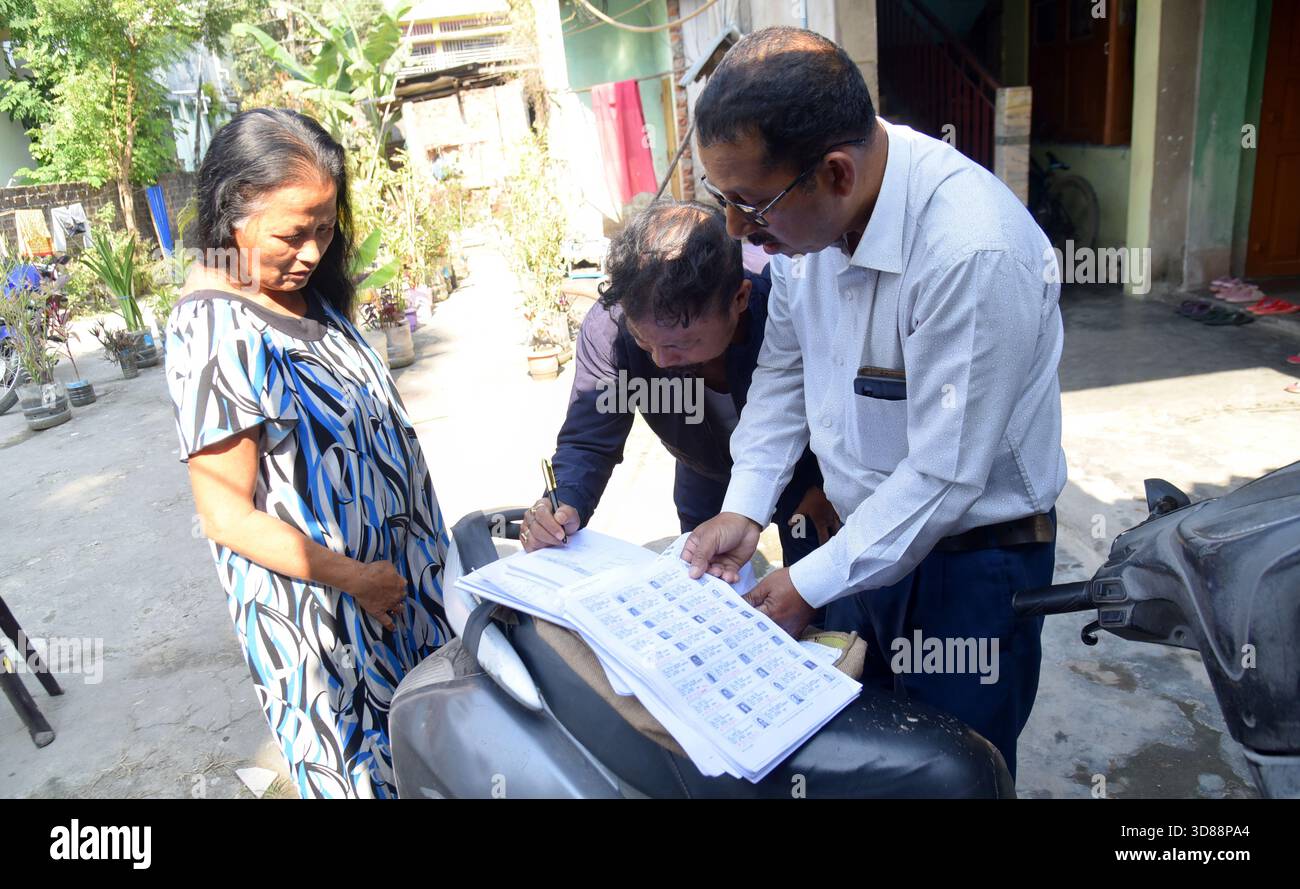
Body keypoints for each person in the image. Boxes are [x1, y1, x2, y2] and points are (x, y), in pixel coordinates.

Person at [682, 27, 1067, 776]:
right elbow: (784, 376)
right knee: (861, 759)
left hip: (972, 566)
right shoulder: (808, 231)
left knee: (953, 770)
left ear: (834, 172)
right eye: (722, 200)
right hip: (864, 548)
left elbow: (945, 477)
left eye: (751, 205)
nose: (736, 230)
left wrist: (809, 581)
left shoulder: (970, 252)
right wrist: (745, 504)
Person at [164, 109, 451, 798]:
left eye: (325, 227)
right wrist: (357, 577)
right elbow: (226, 515)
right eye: (293, 233)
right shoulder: (214, 329)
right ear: (231, 211)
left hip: (395, 594)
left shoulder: (301, 294)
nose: (314, 251)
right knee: (370, 777)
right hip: (333, 628)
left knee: (434, 758)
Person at [521, 200, 836, 565]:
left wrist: (828, 483)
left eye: (681, 344)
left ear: (740, 299)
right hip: (701, 470)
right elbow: (589, 441)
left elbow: (833, 403)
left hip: (805, 478)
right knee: (701, 577)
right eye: (644, 341)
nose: (660, 360)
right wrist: (563, 502)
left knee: (811, 591)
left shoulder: (783, 314)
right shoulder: (610, 330)